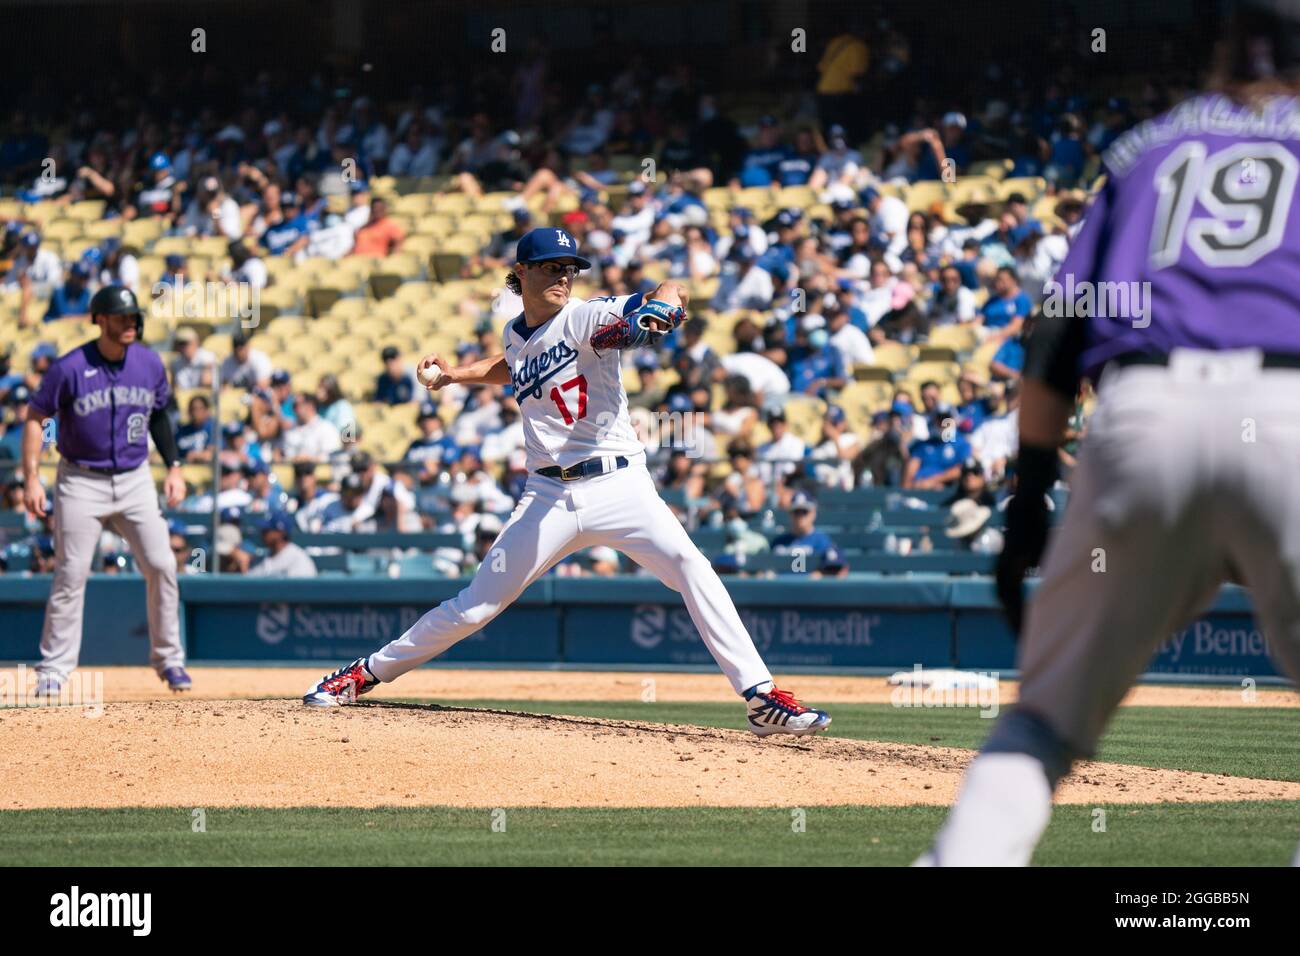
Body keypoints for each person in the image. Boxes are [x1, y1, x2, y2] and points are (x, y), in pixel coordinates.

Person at [921, 3, 1300, 866]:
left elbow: (1055, 336)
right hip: (1290, 409)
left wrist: (1025, 508)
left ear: (1221, 53)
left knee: (1043, 725)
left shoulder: (1148, 148)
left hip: (1143, 415)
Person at [304, 227, 831, 736]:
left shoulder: (587, 317)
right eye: (553, 267)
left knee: (692, 567)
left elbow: (669, 291)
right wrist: (455, 375)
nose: (565, 276)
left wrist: (664, 307)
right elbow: (513, 362)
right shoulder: (516, 333)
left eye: (571, 268)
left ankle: (761, 696)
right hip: (548, 495)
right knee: (477, 605)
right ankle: (364, 673)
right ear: (522, 272)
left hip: (620, 486)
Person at [21, 285, 190, 696]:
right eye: (121, 317)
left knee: (162, 564)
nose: (129, 323)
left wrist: (174, 467)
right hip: (80, 479)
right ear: (100, 319)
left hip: (134, 479)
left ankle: (169, 660)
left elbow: (160, 417)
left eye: (133, 317)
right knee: (71, 573)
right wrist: (31, 475)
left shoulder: (149, 363)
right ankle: (54, 670)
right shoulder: (70, 367)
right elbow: (37, 416)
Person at [244, 512, 317, 578]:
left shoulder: (299, 560)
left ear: (280, 533)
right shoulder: (266, 556)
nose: (262, 534)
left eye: (267, 530)